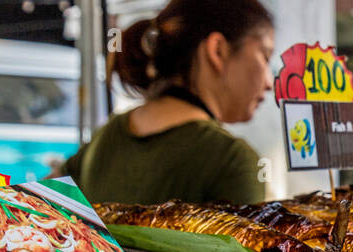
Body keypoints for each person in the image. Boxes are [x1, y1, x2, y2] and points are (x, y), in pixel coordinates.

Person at [60, 0, 274, 205]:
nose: (269, 82)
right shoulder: (233, 162)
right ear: (217, 50)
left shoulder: (106, 135)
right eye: (265, 56)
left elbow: (42, 207)